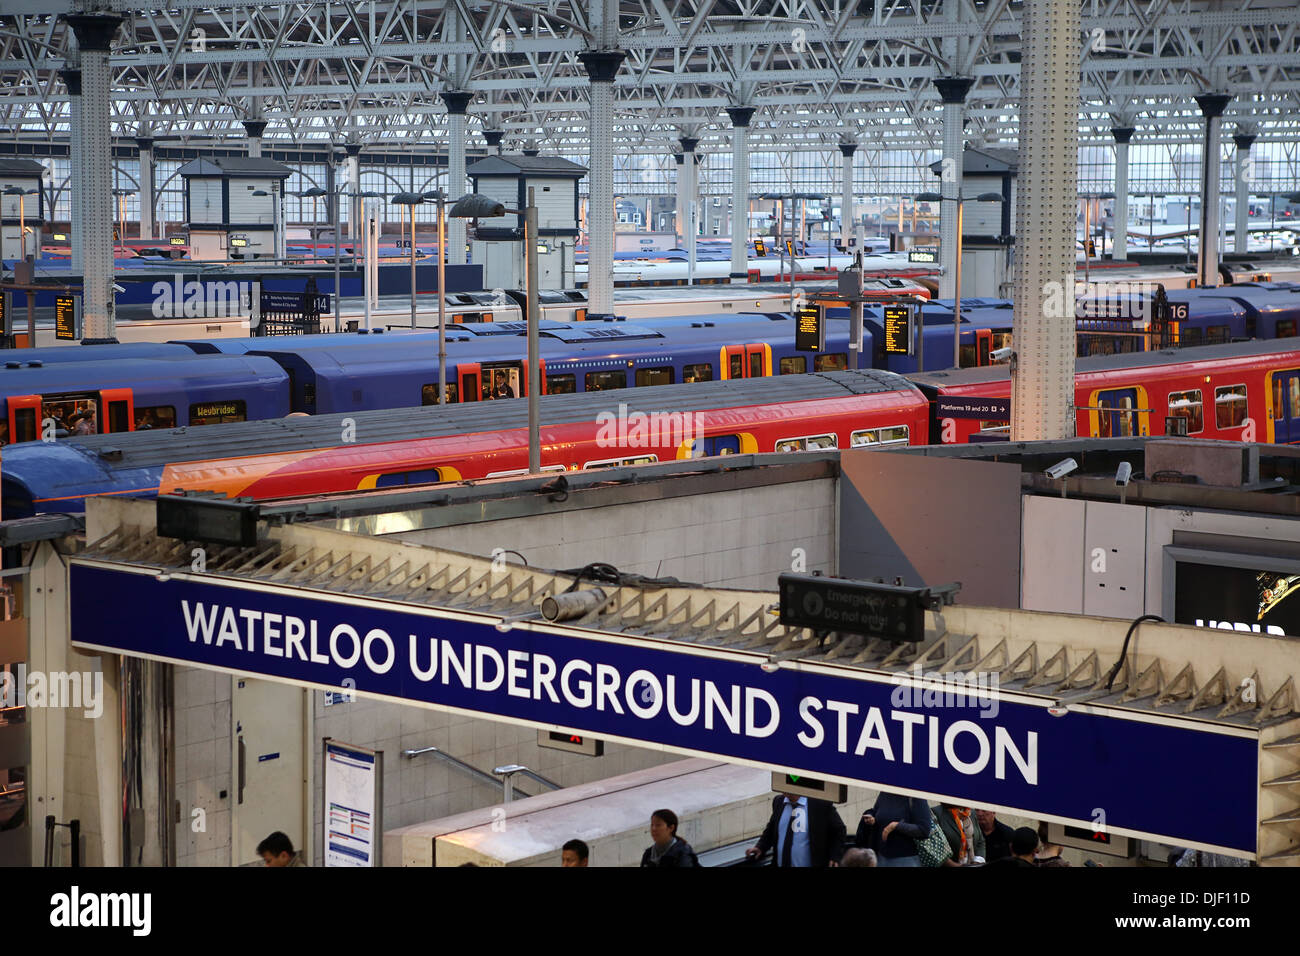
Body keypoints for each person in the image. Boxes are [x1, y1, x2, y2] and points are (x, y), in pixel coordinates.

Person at [746, 792, 846, 867]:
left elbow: (839, 830)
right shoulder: (778, 801)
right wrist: (760, 846)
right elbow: (772, 828)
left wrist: (835, 855)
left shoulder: (820, 804)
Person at [854, 790, 933, 867]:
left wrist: (896, 826)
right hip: (881, 858)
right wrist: (871, 818)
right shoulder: (884, 792)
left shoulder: (916, 794)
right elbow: (876, 812)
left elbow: (924, 830)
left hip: (906, 860)